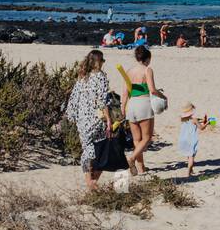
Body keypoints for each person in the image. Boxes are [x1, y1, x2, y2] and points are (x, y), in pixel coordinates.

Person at [65, 49, 112, 190]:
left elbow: (73, 99)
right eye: (102, 61)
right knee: (103, 150)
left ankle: (89, 182)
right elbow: (102, 101)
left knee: (87, 151)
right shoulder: (100, 76)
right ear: (99, 62)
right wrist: (108, 119)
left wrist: (72, 116)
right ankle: (93, 182)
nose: (103, 64)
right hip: (96, 119)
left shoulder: (82, 77)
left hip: (82, 120)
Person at [122, 45, 161, 175]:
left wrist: (123, 107)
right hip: (143, 104)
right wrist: (163, 96)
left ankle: (141, 168)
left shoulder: (129, 71)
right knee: (147, 138)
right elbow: (152, 89)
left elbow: (125, 92)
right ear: (147, 58)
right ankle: (131, 158)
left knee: (136, 139)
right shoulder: (147, 70)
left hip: (131, 105)